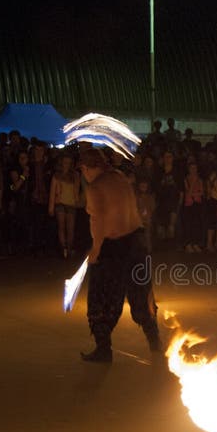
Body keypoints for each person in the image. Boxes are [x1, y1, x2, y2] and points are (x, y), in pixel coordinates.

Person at [79, 147, 161, 363]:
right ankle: (155, 341)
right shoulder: (120, 176)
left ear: (86, 168)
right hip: (138, 243)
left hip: (114, 248)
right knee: (142, 296)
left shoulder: (95, 187)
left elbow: (99, 220)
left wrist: (95, 250)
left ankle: (103, 349)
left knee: (101, 299)